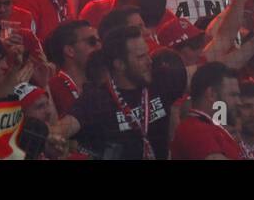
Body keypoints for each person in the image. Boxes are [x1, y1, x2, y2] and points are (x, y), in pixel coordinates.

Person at [59, 26, 170, 159]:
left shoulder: (160, 82)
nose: (149, 61)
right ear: (120, 64)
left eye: (147, 53)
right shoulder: (96, 100)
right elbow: (63, 129)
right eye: (141, 57)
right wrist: (55, 136)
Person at [170, 62, 252, 159]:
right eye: (233, 95)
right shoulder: (196, 130)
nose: (239, 102)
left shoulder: (213, 128)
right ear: (212, 94)